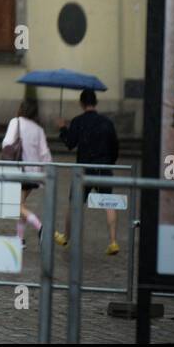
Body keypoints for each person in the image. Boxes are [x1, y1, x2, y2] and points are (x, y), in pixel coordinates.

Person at [55, 88, 121, 254]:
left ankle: (66, 237)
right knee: (108, 202)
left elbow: (70, 143)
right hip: (103, 168)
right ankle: (113, 242)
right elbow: (115, 146)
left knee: (74, 203)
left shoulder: (78, 121)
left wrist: (63, 128)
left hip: (84, 170)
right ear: (95, 102)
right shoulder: (107, 122)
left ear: (81, 103)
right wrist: (109, 163)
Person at [1, 98, 51, 247]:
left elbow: (7, 143)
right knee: (20, 204)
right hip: (33, 174)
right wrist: (48, 173)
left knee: (15, 205)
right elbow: (45, 154)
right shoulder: (38, 129)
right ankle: (19, 239)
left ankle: (41, 227)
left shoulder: (15, 122)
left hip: (18, 171)